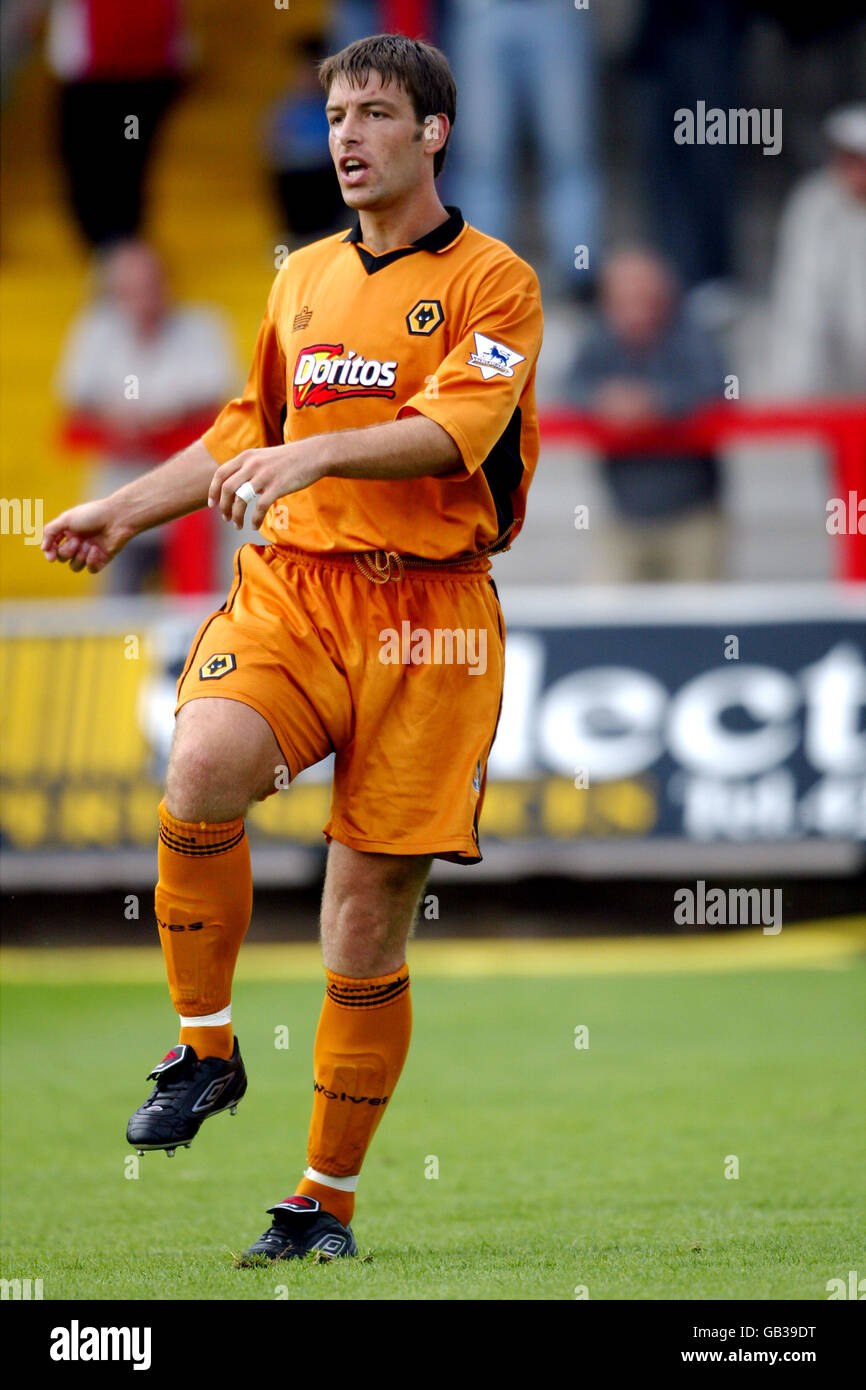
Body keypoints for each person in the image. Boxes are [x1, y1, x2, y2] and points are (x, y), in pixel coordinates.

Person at [41, 33, 544, 1262]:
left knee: (363, 922)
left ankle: (321, 1201)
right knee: (202, 760)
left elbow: (452, 434)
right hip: (295, 591)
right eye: (333, 116)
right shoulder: (300, 276)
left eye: (375, 113)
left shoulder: (496, 283)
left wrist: (315, 451)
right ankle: (204, 1049)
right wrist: (122, 507)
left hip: (430, 623)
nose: (347, 137)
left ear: (433, 132)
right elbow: (238, 436)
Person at [56, 240, 237, 594]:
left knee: (199, 610)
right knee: (120, 610)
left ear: (167, 282)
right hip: (117, 496)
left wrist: (148, 423)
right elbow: (74, 405)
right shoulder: (95, 332)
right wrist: (123, 423)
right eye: (132, 287)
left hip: (190, 502)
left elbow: (219, 402)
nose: (144, 296)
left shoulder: (202, 326)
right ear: (114, 292)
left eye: (151, 283)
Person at [565, 248, 726, 582]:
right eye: (625, 301)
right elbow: (570, 388)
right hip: (622, 517)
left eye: (645, 299)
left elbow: (718, 387)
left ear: (666, 296)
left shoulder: (692, 336)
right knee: (605, 619)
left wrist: (655, 403)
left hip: (692, 517)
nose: (637, 311)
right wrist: (603, 400)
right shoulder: (599, 342)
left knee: (699, 624)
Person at [767, 103, 866, 398]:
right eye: (849, 159)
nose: (856, 170)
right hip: (826, 358)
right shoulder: (813, 204)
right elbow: (801, 297)